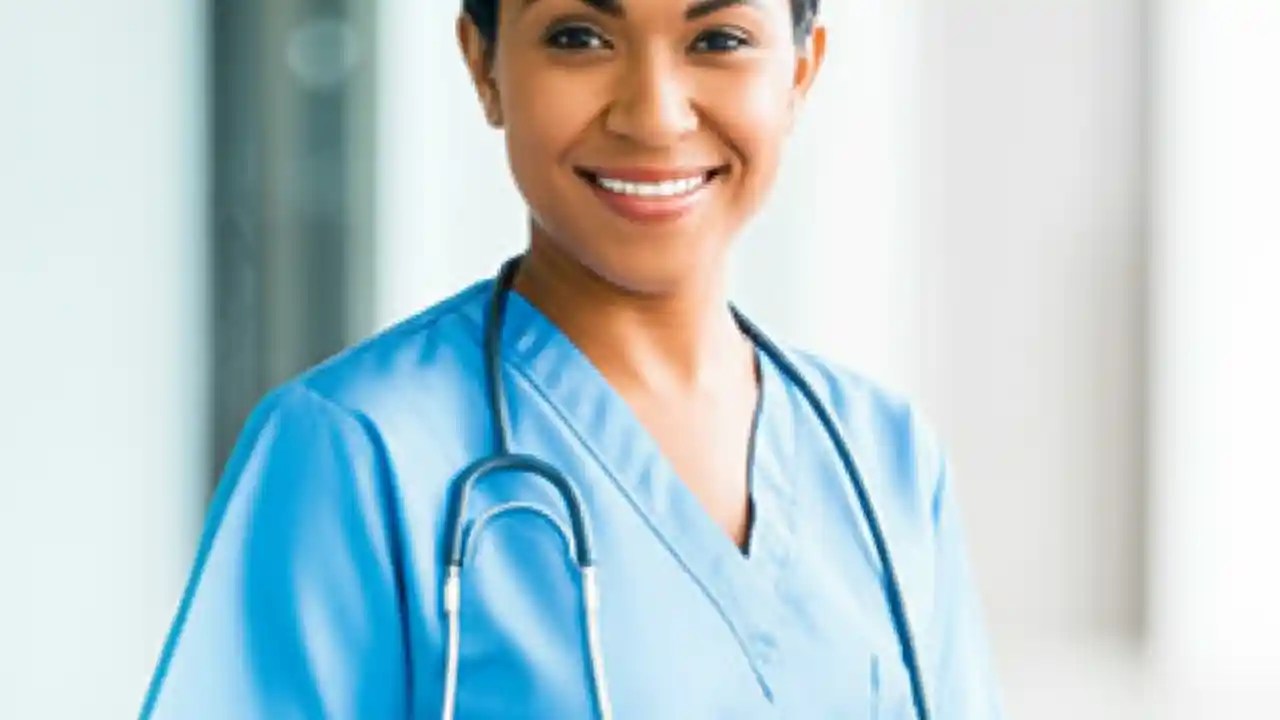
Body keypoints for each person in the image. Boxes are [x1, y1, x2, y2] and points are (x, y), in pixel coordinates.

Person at [141, 0, 1004, 717]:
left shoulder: (881, 456)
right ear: (484, 66)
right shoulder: (358, 449)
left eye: (719, 40)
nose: (654, 113)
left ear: (801, 73)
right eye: (579, 38)